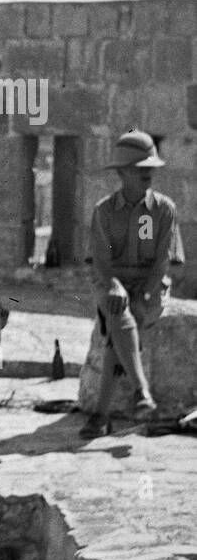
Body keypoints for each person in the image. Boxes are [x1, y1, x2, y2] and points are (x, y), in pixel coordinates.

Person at [80, 131, 185, 439]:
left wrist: (148, 292)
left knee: (123, 322)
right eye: (141, 167)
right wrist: (114, 286)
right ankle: (140, 391)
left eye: (150, 167)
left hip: (150, 284)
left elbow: (163, 260)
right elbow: (100, 262)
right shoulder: (104, 211)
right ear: (123, 172)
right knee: (119, 310)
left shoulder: (164, 209)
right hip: (112, 283)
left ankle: (101, 415)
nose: (148, 173)